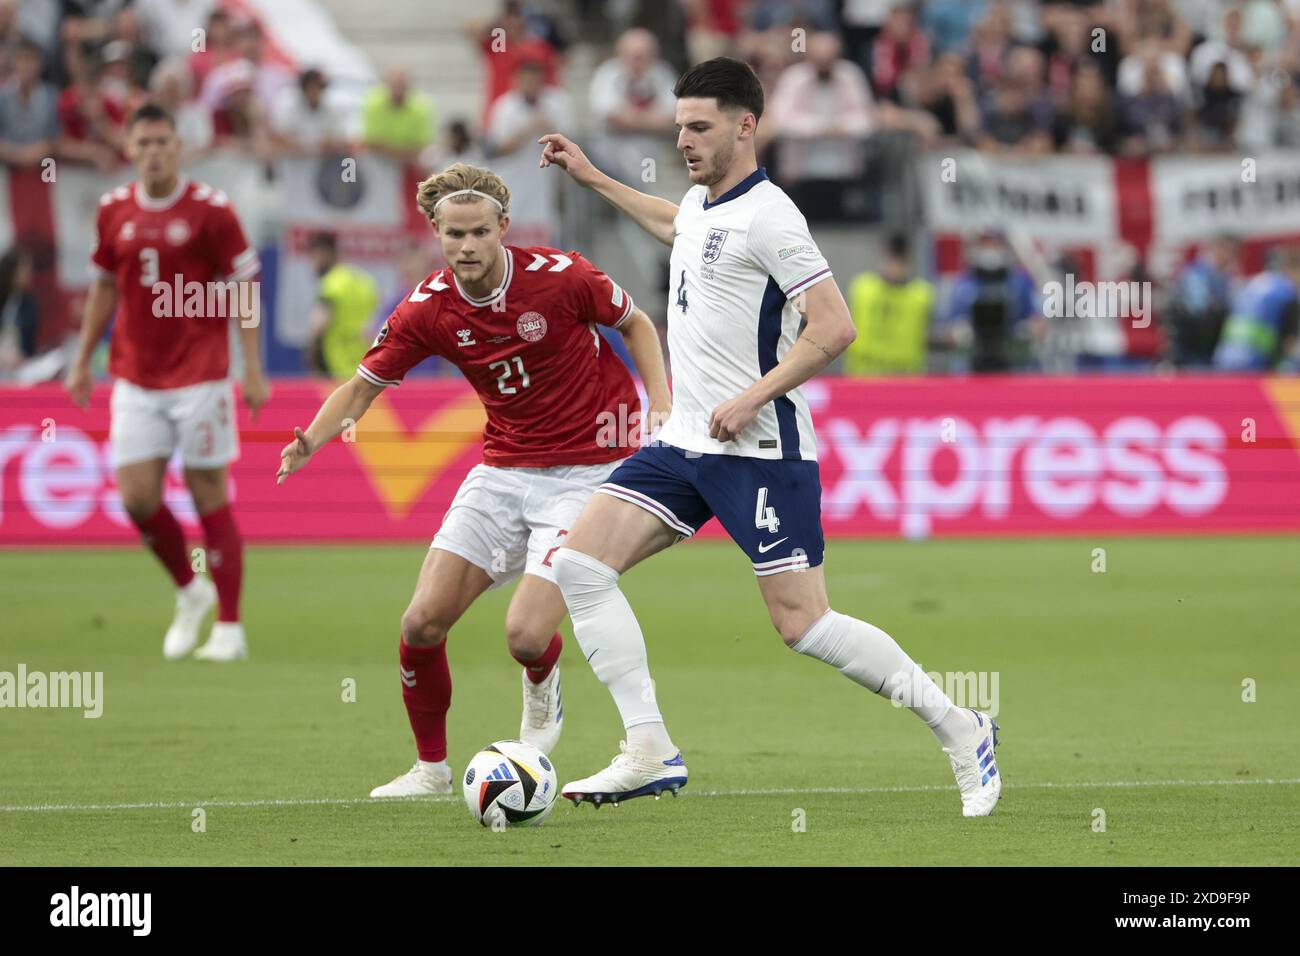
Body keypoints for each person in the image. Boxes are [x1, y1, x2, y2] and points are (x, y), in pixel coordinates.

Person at [538, 57, 1002, 816]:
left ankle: (960, 727)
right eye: (679, 126)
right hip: (687, 442)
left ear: (745, 126)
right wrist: (591, 176)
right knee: (581, 566)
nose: (683, 139)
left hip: (760, 449)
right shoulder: (700, 202)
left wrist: (752, 395)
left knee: (803, 624)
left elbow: (835, 327)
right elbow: (675, 223)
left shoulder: (771, 215)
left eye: (699, 126)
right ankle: (648, 747)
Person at [275, 163, 671, 798]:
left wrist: (661, 400)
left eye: (479, 232)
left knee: (523, 633)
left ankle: (543, 690)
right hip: (503, 471)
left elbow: (637, 324)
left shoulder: (562, 277)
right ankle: (430, 770)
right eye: (453, 233)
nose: (465, 246)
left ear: (502, 229)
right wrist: (312, 440)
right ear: (435, 230)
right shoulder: (427, 308)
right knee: (421, 625)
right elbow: (362, 386)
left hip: (588, 472)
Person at [63, 101, 268, 662]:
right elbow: (104, 286)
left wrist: (252, 367)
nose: (153, 152)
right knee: (136, 498)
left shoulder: (212, 211)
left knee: (208, 496)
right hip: (133, 374)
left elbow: (243, 287)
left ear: (179, 147)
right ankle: (189, 588)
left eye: (163, 142)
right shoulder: (112, 210)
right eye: (143, 143)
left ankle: (230, 627)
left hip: (201, 374)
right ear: (128, 148)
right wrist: (83, 359)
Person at [844, 233, 934, 375]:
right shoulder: (862, 288)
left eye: (899, 260)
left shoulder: (922, 294)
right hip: (864, 376)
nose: (895, 266)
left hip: (905, 377)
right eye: (892, 259)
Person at [304, 231, 379, 379]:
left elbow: (319, 324)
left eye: (314, 256)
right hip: (366, 364)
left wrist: (311, 356)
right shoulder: (364, 280)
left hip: (335, 364)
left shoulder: (332, 283)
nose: (313, 263)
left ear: (324, 253)